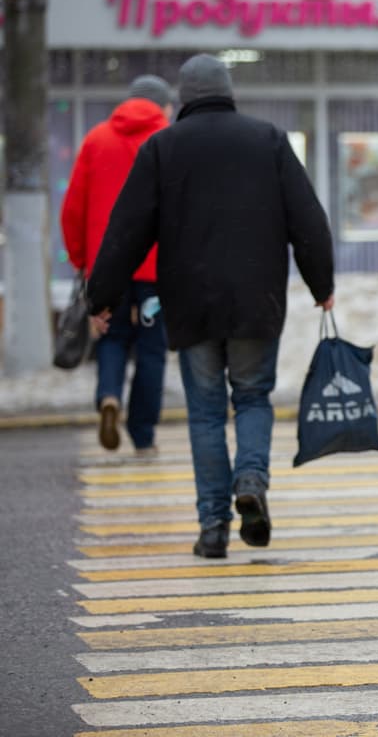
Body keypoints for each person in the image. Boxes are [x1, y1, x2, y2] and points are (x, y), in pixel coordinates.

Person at [86, 54, 335, 560]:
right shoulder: (266, 139)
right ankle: (251, 479)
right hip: (256, 300)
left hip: (190, 302)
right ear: (228, 91)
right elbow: (307, 219)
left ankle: (213, 529)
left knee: (203, 414)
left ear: (183, 97)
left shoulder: (163, 147)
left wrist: (103, 296)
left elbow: (126, 229)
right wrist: (320, 283)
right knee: (251, 396)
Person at [61, 75, 175, 456]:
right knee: (151, 348)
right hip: (155, 274)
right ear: (163, 105)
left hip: (107, 268)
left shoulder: (97, 139)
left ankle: (109, 396)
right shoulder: (169, 140)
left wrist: (82, 261)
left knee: (111, 337)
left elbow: (73, 208)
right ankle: (143, 435)